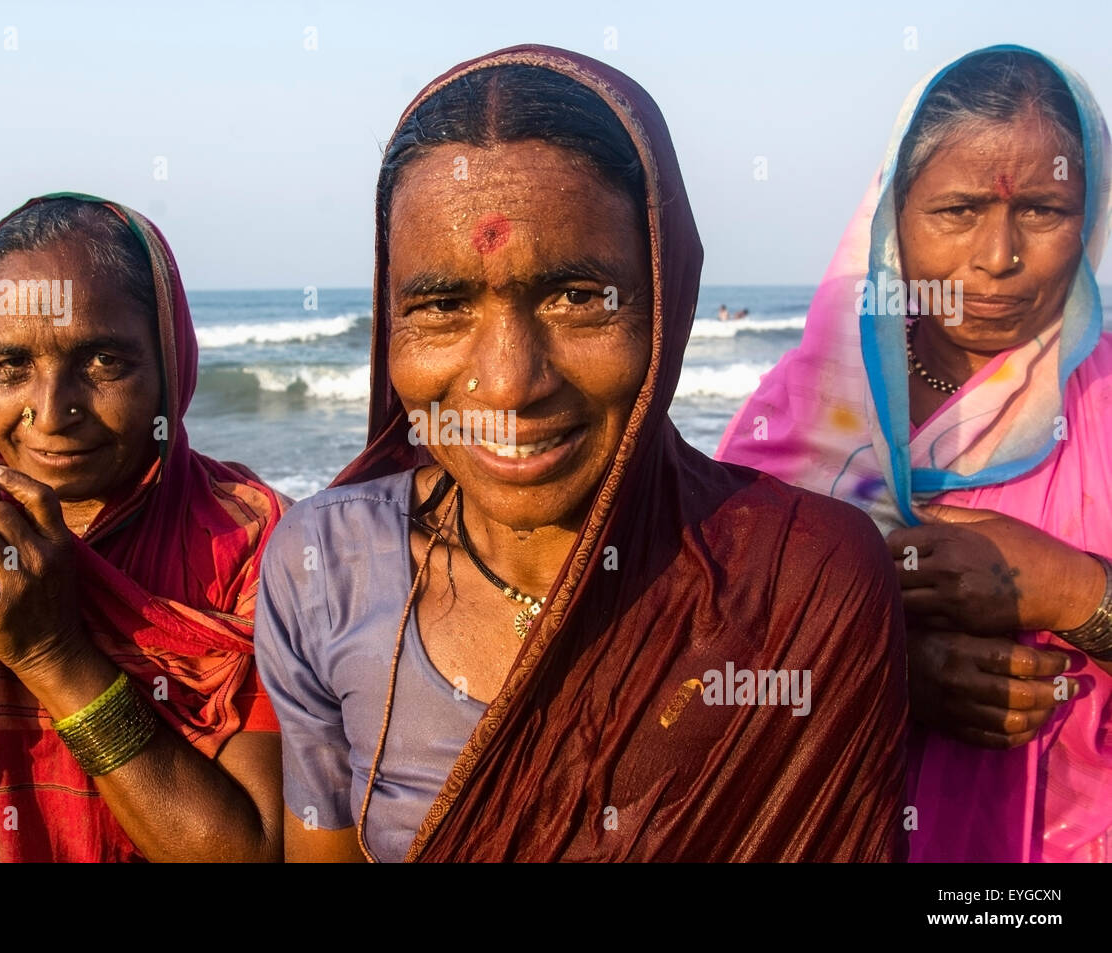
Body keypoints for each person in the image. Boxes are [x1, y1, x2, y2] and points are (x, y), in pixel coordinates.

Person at [255, 45, 908, 863]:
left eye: (578, 297)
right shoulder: (323, 567)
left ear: (667, 298)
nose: (509, 384)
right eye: (443, 304)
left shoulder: (803, 583)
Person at [717, 46, 1112, 862]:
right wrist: (894, 674)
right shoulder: (804, 413)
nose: (998, 256)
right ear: (893, 216)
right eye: (959, 210)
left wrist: (1070, 589)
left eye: (1042, 210)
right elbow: (709, 655)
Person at [0, 195, 286, 862]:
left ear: (169, 360)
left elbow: (250, 851)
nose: (51, 411)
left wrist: (53, 656)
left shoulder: (258, 546)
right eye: (11, 366)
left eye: (103, 362)